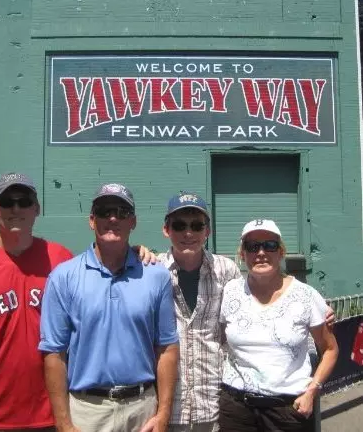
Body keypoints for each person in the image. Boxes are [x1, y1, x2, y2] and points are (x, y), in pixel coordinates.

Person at [0, 173, 155, 432]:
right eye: (7, 201)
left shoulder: (60, 260)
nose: (16, 208)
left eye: (24, 201)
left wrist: (135, 253)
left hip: (53, 417)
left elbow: (105, 271)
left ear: (37, 209)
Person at [39, 183, 179, 432]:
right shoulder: (63, 277)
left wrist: (163, 414)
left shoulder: (156, 275)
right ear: (92, 220)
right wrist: (63, 424)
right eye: (104, 211)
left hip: (142, 408)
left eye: (122, 211)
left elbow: (167, 349)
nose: (113, 217)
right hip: (87, 412)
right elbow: (54, 354)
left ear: (133, 221)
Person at [219, 219, 339, 432]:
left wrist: (312, 390)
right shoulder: (229, 292)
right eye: (252, 246)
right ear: (242, 254)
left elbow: (330, 350)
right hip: (236, 407)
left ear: (281, 252)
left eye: (270, 245)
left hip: (288, 409)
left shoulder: (306, 296)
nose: (261, 252)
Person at [158, 192, 241, 432]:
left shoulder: (226, 271)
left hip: (212, 398)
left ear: (208, 231)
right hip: (167, 404)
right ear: (167, 229)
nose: (188, 233)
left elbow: (249, 315)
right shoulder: (152, 270)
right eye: (179, 225)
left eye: (196, 226)